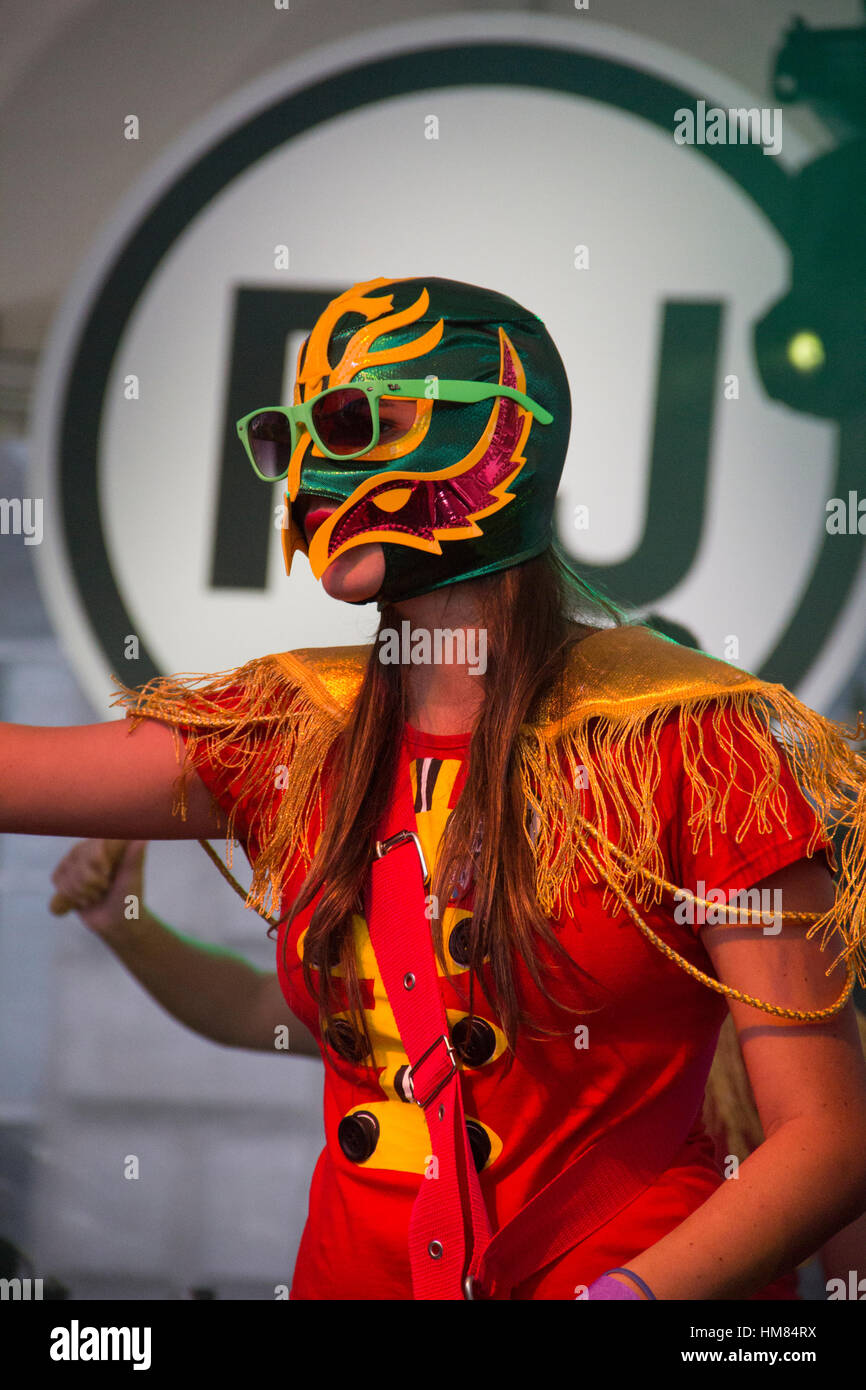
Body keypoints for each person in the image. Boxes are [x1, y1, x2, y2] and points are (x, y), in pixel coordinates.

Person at [4, 274, 866, 1301]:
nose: (311, 470)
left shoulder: (696, 746)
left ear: (498, 435)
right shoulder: (289, 727)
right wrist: (131, 923)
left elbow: (826, 1137)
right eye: (289, 436)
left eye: (355, 421)